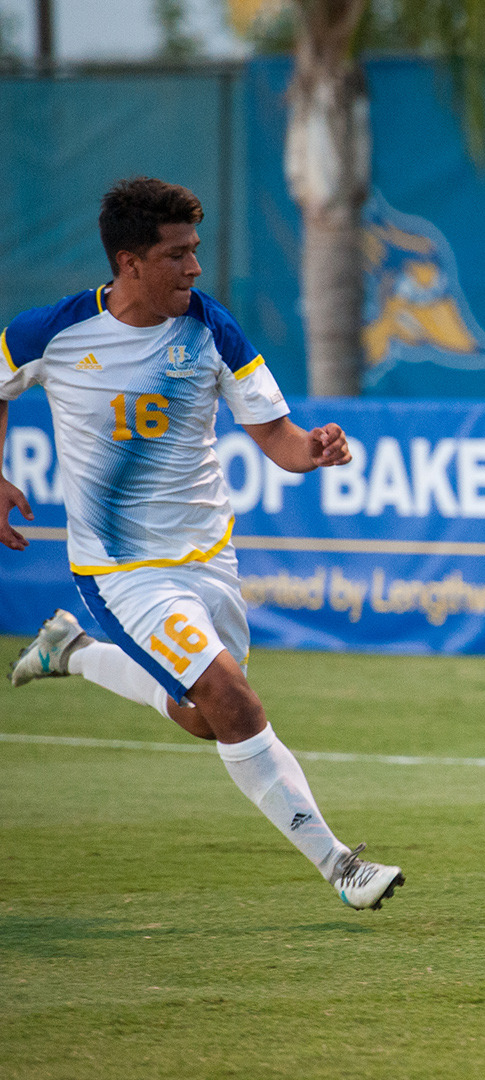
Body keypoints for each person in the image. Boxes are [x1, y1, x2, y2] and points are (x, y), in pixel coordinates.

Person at [1, 177, 404, 911]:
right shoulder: (50, 334)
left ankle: (74, 654)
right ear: (128, 263)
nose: (193, 268)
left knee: (202, 716)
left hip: (209, 558)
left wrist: (314, 448)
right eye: (177, 254)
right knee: (229, 697)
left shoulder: (211, 328)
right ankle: (342, 865)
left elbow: (277, 440)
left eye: (196, 251)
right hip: (122, 572)